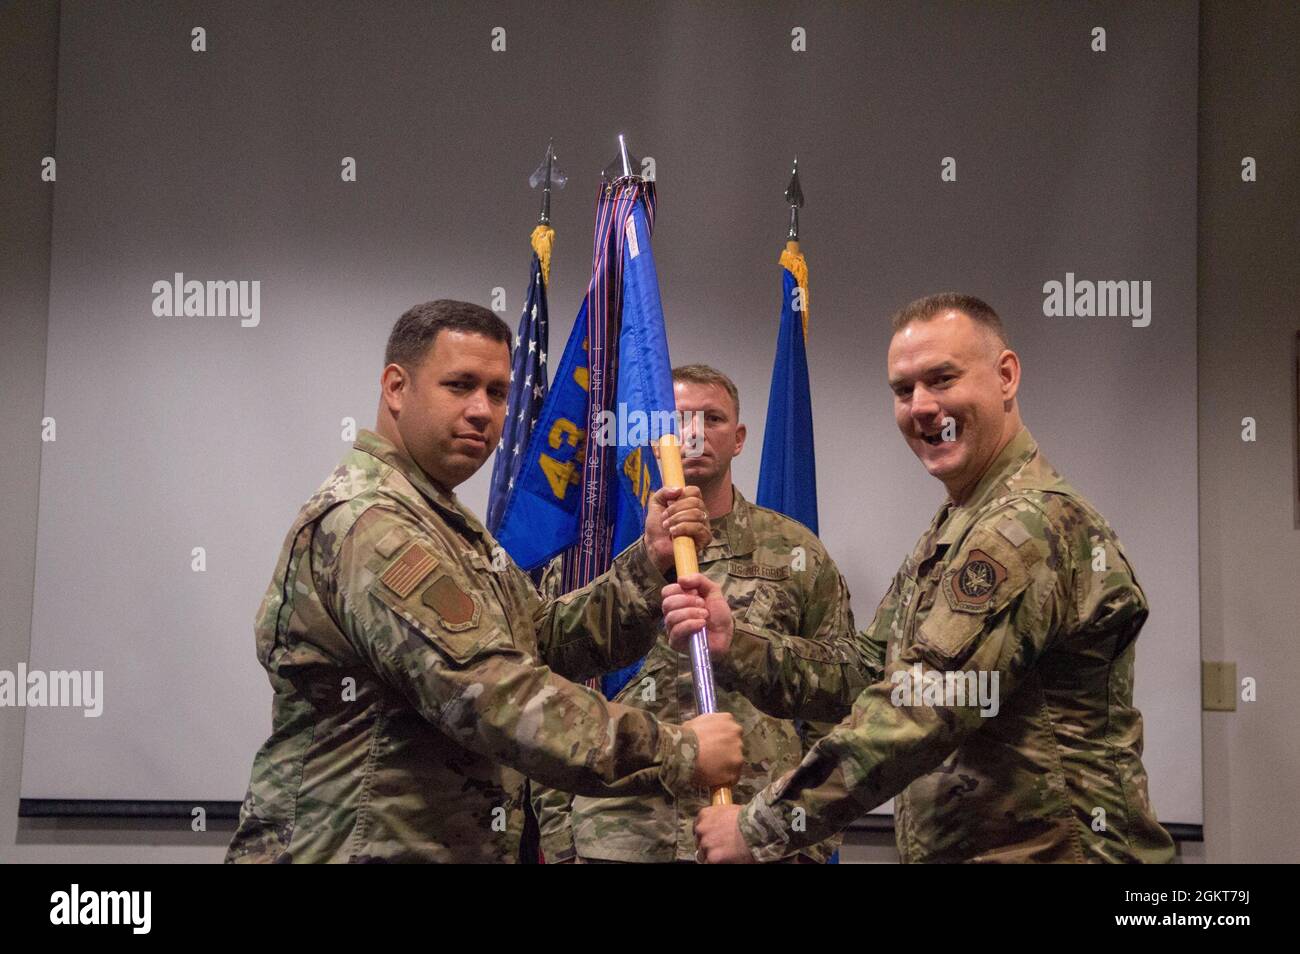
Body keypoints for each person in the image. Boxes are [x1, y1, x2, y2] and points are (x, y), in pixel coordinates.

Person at [665, 293, 1175, 863]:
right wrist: (740, 645)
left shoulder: (1026, 526)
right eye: (903, 390)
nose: (922, 406)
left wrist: (760, 826)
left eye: (943, 379)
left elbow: (920, 710)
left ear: (1005, 376)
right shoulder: (961, 522)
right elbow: (867, 671)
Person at [226, 300, 742, 863]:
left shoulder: (442, 518)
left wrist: (650, 565)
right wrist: (678, 750)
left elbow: (542, 641)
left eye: (497, 393)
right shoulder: (372, 523)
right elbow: (491, 694)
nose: (483, 411)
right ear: (396, 387)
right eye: (460, 385)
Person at [532, 365, 852, 863]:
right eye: (679, 419)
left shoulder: (796, 555)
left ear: (740, 438)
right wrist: (560, 842)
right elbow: (547, 698)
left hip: (753, 835)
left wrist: (811, 840)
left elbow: (835, 705)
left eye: (713, 419)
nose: (695, 433)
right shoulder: (597, 554)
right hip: (620, 836)